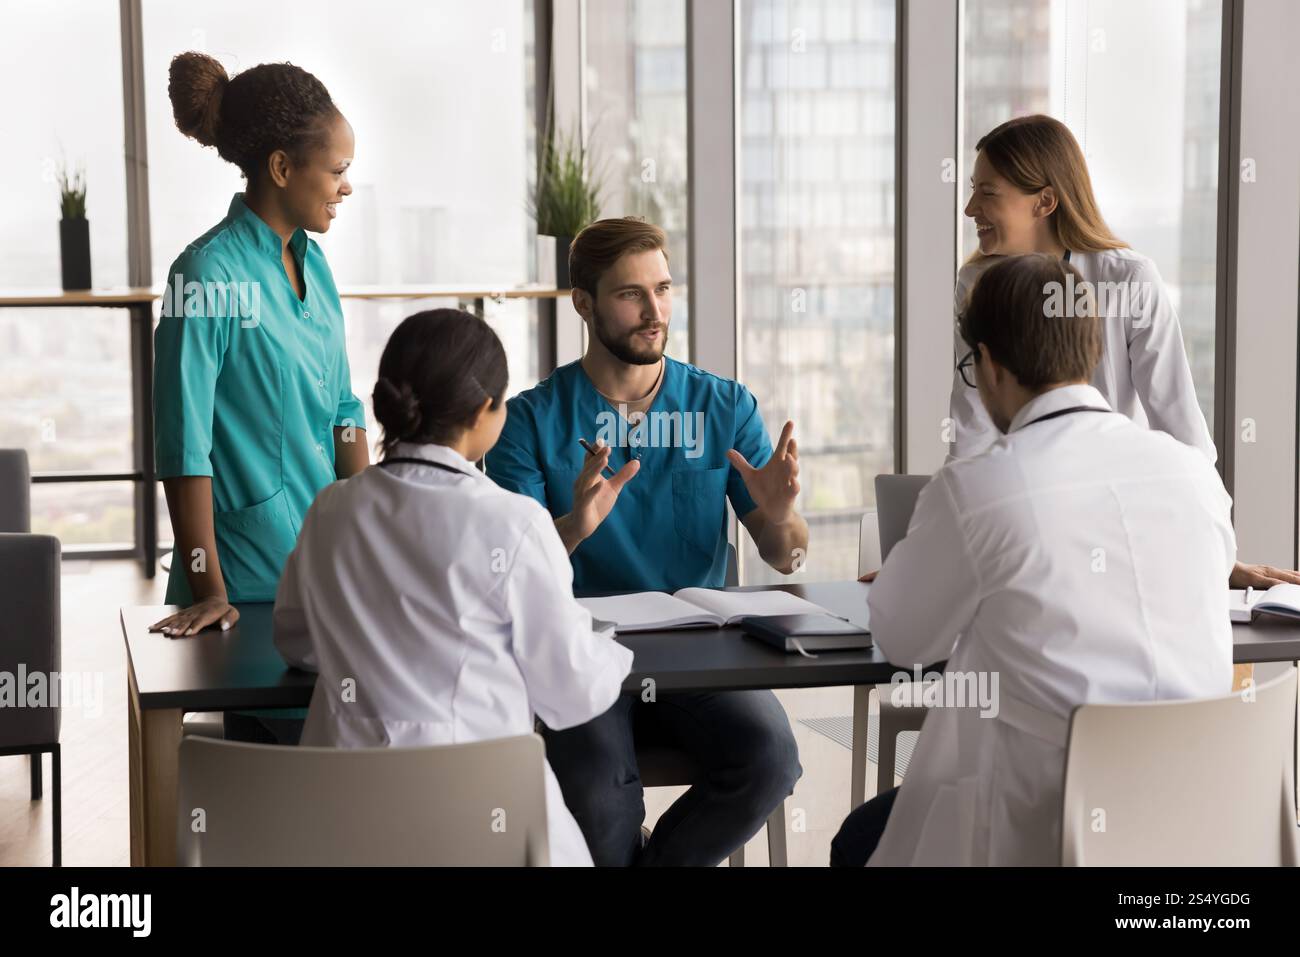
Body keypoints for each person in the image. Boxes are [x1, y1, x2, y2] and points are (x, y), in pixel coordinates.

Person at [833, 254, 1236, 866]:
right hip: (1198, 826)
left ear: (990, 364)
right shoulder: (1193, 475)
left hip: (1041, 826)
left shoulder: (978, 486)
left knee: (858, 841)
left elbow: (902, 639)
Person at [485, 217, 806, 866]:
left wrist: (783, 517)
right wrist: (572, 526)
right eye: (632, 294)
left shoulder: (723, 405)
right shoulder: (528, 421)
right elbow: (509, 577)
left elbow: (783, 553)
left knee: (771, 758)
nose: (654, 311)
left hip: (703, 663)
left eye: (662, 289)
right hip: (581, 660)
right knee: (601, 804)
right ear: (584, 303)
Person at [273, 309, 633, 867]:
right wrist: (606, 647)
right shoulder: (514, 522)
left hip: (341, 833)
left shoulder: (331, 509)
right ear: (483, 412)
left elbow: (295, 640)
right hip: (485, 836)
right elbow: (572, 694)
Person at [951, 112, 1299, 593]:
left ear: (1045, 202)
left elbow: (1184, 432)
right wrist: (937, 555)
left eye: (988, 193)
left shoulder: (1127, 280)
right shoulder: (976, 283)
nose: (970, 208)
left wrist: (1217, 554)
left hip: (1122, 526)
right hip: (1026, 518)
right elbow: (969, 426)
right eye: (973, 190)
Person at [148, 52, 368, 744]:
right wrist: (205, 584)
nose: (345, 188)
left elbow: (343, 410)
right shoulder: (205, 274)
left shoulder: (316, 263)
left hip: (324, 567)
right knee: (281, 778)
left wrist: (374, 532)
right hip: (246, 578)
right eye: (335, 172)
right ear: (281, 168)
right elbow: (184, 444)